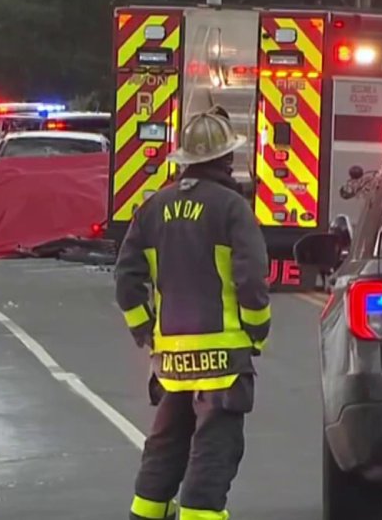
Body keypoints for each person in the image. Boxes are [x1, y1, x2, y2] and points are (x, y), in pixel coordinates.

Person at [115, 109, 271, 520]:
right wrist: (257, 332)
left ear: (185, 158)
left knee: (166, 446)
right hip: (224, 362)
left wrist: (144, 330)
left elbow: (126, 280)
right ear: (226, 158)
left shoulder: (154, 208)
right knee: (214, 452)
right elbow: (251, 280)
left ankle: (145, 513)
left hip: (170, 362)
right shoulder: (232, 208)